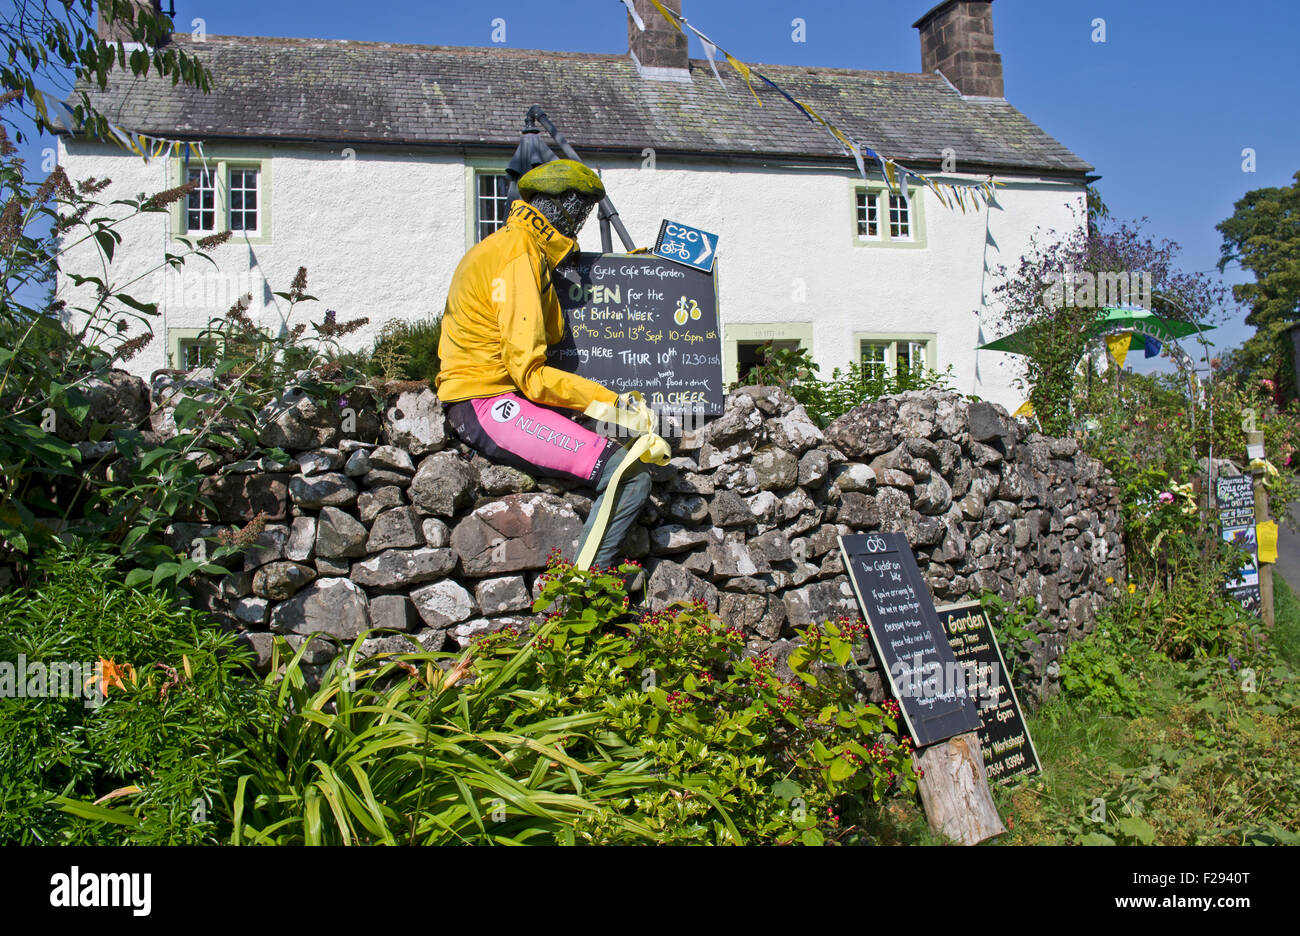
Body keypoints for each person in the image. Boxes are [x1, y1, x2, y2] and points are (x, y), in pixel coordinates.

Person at [436, 159, 664, 586]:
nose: (582, 221)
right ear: (560, 205)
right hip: (488, 402)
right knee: (628, 474)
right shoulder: (518, 257)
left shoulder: (520, 247)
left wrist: (628, 271)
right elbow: (532, 375)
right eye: (581, 208)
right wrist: (613, 403)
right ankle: (581, 599)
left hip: (494, 398)